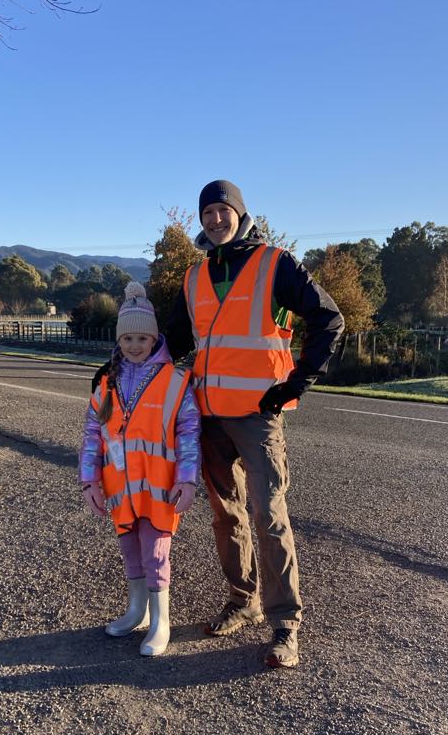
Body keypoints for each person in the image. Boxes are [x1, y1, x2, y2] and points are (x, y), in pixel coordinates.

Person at [165, 179, 345, 669]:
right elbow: (171, 341)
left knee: (268, 514)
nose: (216, 220)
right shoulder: (193, 277)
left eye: (224, 210)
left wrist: (297, 382)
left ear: (239, 214)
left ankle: (285, 622)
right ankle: (243, 601)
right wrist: (121, 362)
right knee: (226, 515)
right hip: (209, 417)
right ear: (201, 220)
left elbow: (328, 319)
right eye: (208, 213)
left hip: (258, 416)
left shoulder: (275, 263)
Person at [80, 281, 200, 657]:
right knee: (129, 549)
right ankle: (137, 611)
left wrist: (187, 479)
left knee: (155, 551)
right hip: (120, 488)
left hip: (160, 488)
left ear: (155, 340)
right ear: (119, 340)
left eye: (142, 339)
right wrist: (90, 482)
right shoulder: (106, 383)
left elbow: (189, 433)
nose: (134, 346)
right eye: (128, 338)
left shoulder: (176, 382)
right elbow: (92, 435)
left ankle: (161, 619)